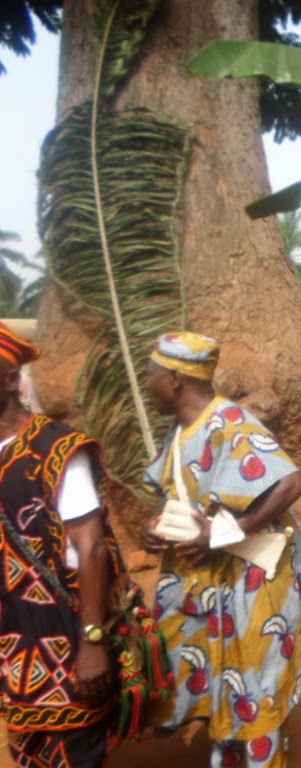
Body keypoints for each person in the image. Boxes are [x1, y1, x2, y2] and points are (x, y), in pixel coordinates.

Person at [142, 332, 301, 768]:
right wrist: (157, 525)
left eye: (152, 374)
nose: (148, 382)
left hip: (250, 581)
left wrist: (226, 533)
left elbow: (291, 482)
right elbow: (182, 494)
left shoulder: (230, 422)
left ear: (176, 380)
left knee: (252, 686)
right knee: (224, 681)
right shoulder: (181, 431)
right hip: (207, 581)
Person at [0, 322, 128, 766]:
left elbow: (90, 548)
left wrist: (92, 642)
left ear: (12, 379)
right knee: (28, 752)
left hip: (66, 637)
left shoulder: (57, 448)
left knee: (75, 752)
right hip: (14, 643)